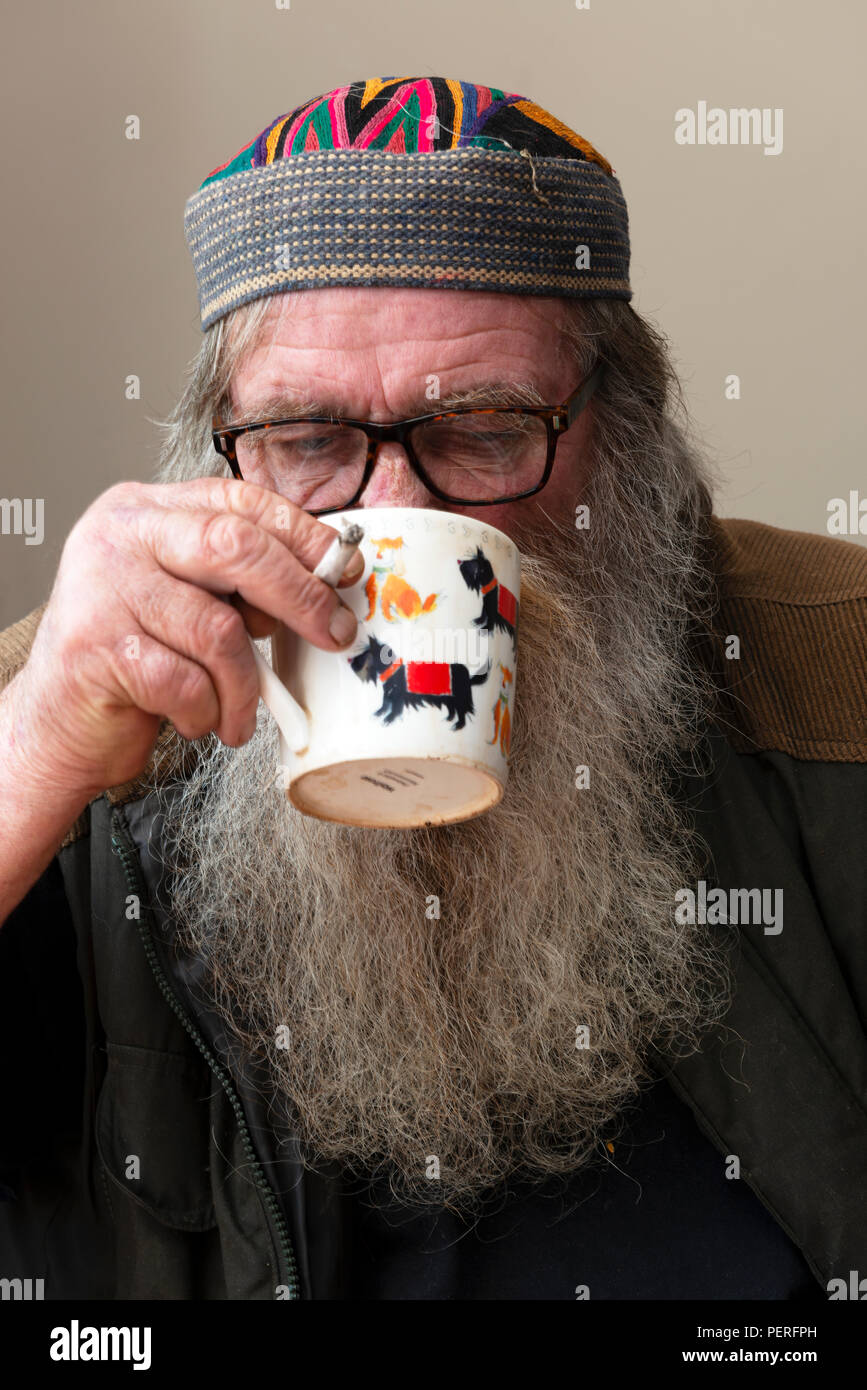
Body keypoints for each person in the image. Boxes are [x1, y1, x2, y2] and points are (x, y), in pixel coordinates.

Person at [0, 76, 864, 1302]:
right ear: (218, 463)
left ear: (623, 444)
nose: (389, 520)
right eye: (307, 441)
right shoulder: (69, 716)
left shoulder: (840, 673)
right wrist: (33, 747)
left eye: (485, 427)